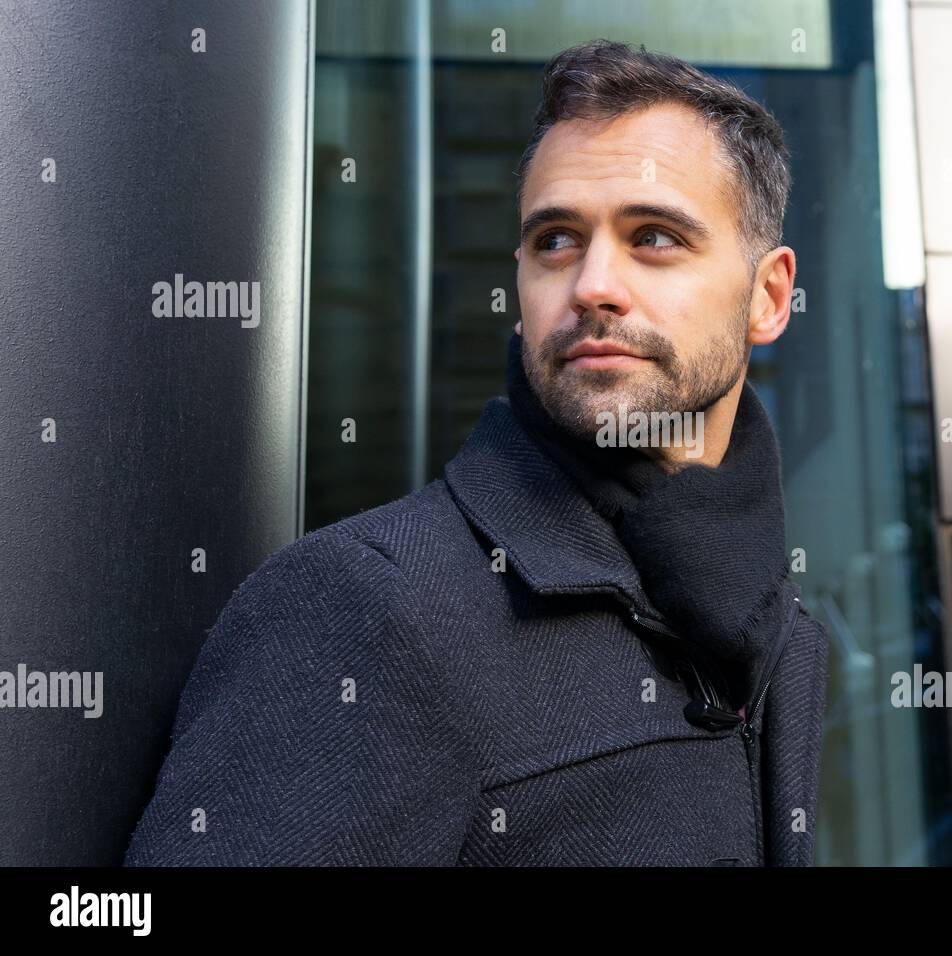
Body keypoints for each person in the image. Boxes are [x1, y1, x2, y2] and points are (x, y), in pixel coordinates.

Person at [124, 38, 828, 867]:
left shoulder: (779, 626)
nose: (593, 283)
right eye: (557, 240)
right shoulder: (368, 607)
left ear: (769, 296)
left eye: (655, 237)